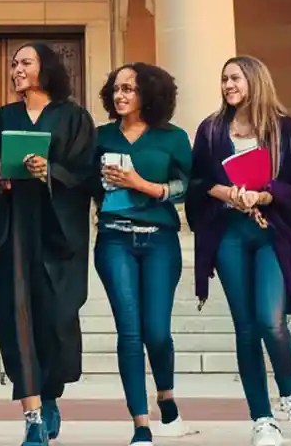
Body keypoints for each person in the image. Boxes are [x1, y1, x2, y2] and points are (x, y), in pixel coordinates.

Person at [186, 56, 291, 446]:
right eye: (223, 78)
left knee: (270, 320)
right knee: (245, 327)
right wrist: (228, 193)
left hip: (270, 233)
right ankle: (262, 419)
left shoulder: (284, 130)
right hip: (228, 233)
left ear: (255, 81)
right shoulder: (211, 130)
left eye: (235, 78)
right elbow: (197, 181)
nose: (227, 85)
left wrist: (262, 195)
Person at [0, 42, 97, 446]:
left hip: (57, 235)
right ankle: (31, 417)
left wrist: (52, 171)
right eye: (13, 64)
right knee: (17, 321)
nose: (16, 69)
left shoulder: (74, 118)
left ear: (46, 68)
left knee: (56, 320)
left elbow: (86, 175)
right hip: (12, 233)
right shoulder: (1, 119)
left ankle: (49, 394)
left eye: (25, 62)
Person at [93, 63, 192, 446]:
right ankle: (141, 425)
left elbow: (187, 185)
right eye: (116, 89)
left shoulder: (172, 138)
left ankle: (165, 393)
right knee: (130, 333)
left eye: (129, 89)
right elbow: (82, 181)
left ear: (149, 93)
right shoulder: (101, 137)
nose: (120, 95)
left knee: (157, 331)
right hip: (114, 239)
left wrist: (143, 185)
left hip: (160, 241)